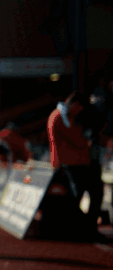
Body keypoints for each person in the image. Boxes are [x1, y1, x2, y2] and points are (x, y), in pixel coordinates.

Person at [48, 91, 103, 240]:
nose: (79, 111)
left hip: (74, 164)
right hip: (72, 165)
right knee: (79, 198)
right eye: (79, 108)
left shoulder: (61, 116)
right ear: (75, 104)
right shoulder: (61, 118)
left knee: (85, 196)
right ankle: (82, 230)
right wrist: (87, 139)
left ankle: (82, 229)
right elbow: (78, 141)